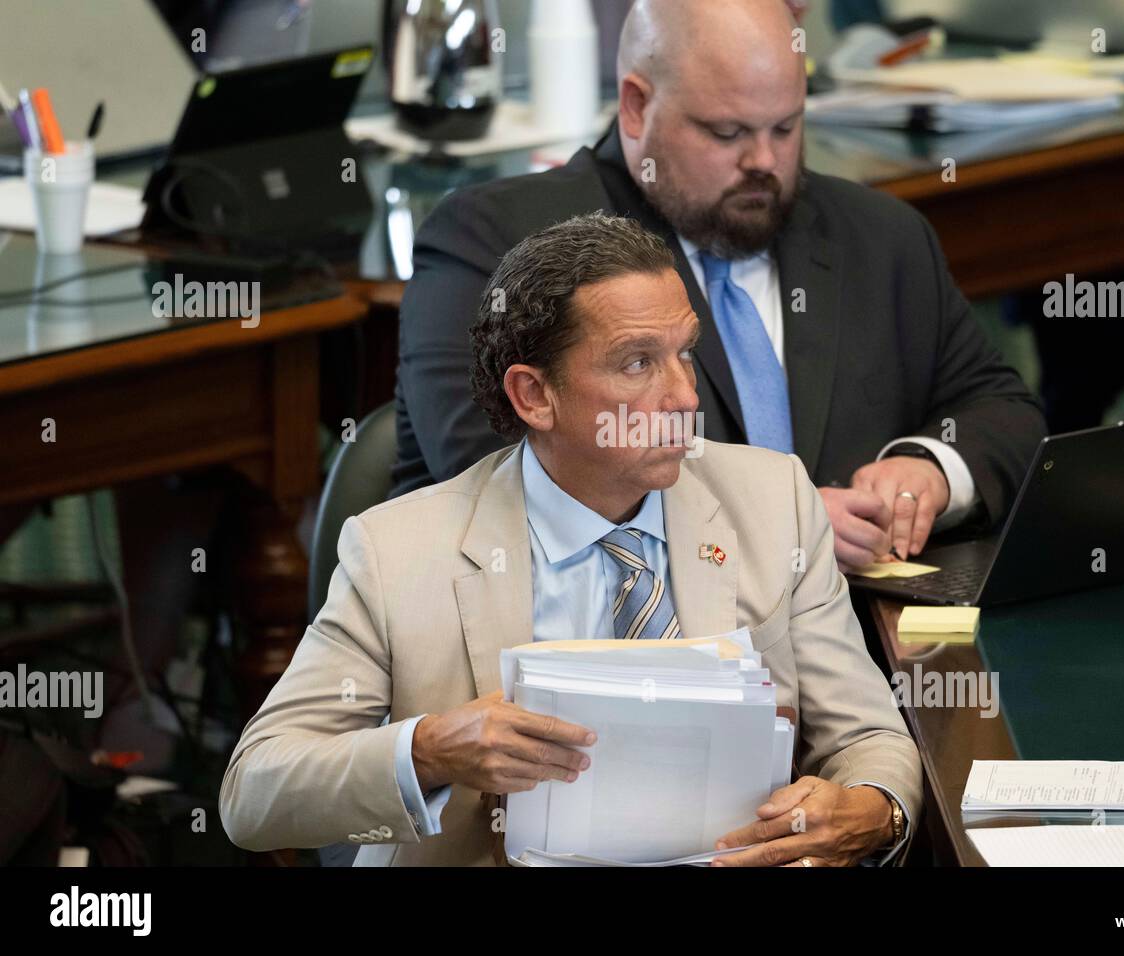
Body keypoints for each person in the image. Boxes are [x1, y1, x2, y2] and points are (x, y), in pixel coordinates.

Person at [221, 214, 922, 866]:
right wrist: (429, 750)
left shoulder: (774, 502)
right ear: (534, 396)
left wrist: (870, 811)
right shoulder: (398, 551)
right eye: (638, 363)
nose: (685, 397)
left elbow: (869, 738)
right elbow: (253, 794)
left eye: (685, 353)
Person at [392, 0, 1046, 572]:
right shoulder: (496, 243)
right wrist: (777, 522)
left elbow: (1001, 411)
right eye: (726, 133)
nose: (764, 162)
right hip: (599, 662)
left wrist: (929, 469)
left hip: (853, 660)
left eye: (786, 128)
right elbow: (497, 478)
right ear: (637, 106)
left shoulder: (879, 237)